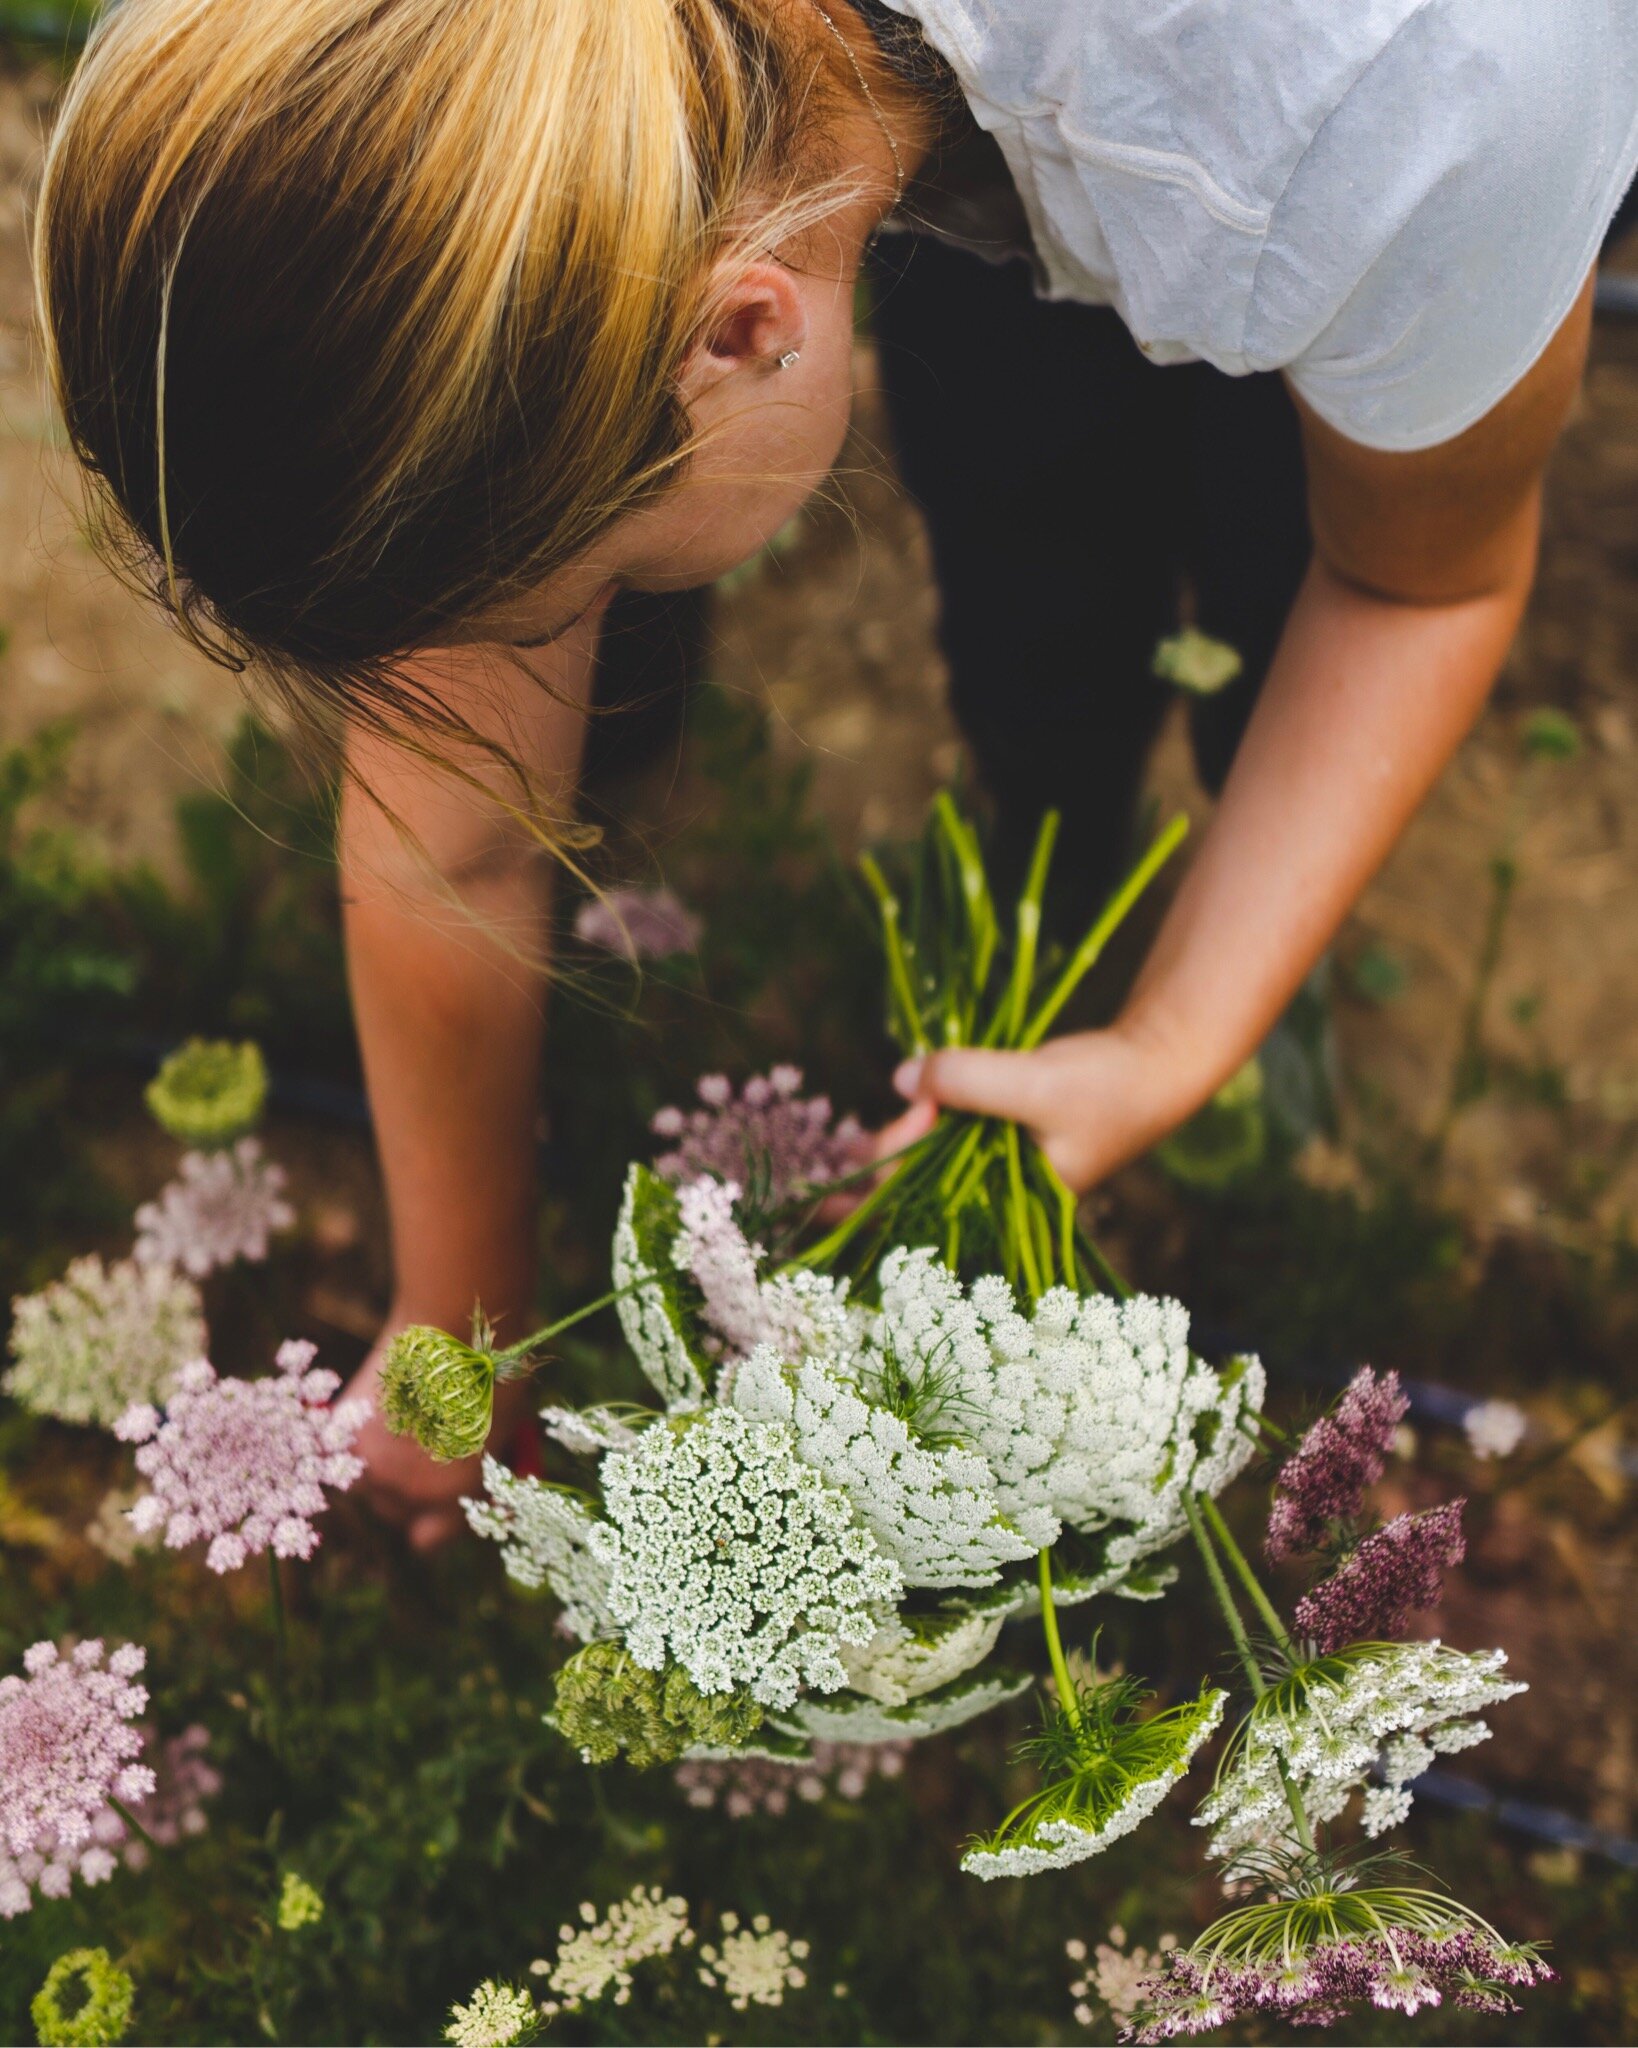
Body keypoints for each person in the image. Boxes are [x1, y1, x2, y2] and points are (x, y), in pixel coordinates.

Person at [34, 0, 1638, 1542]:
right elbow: (445, 844)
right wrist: (458, 1334)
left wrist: (1169, 1040)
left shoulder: (1396, 119)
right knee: (1026, 489)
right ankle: (1052, 794)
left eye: (578, 595)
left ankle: (1246, 931)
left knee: (1267, 543)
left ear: (746, 327)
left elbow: (1417, 582)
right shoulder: (466, 76)